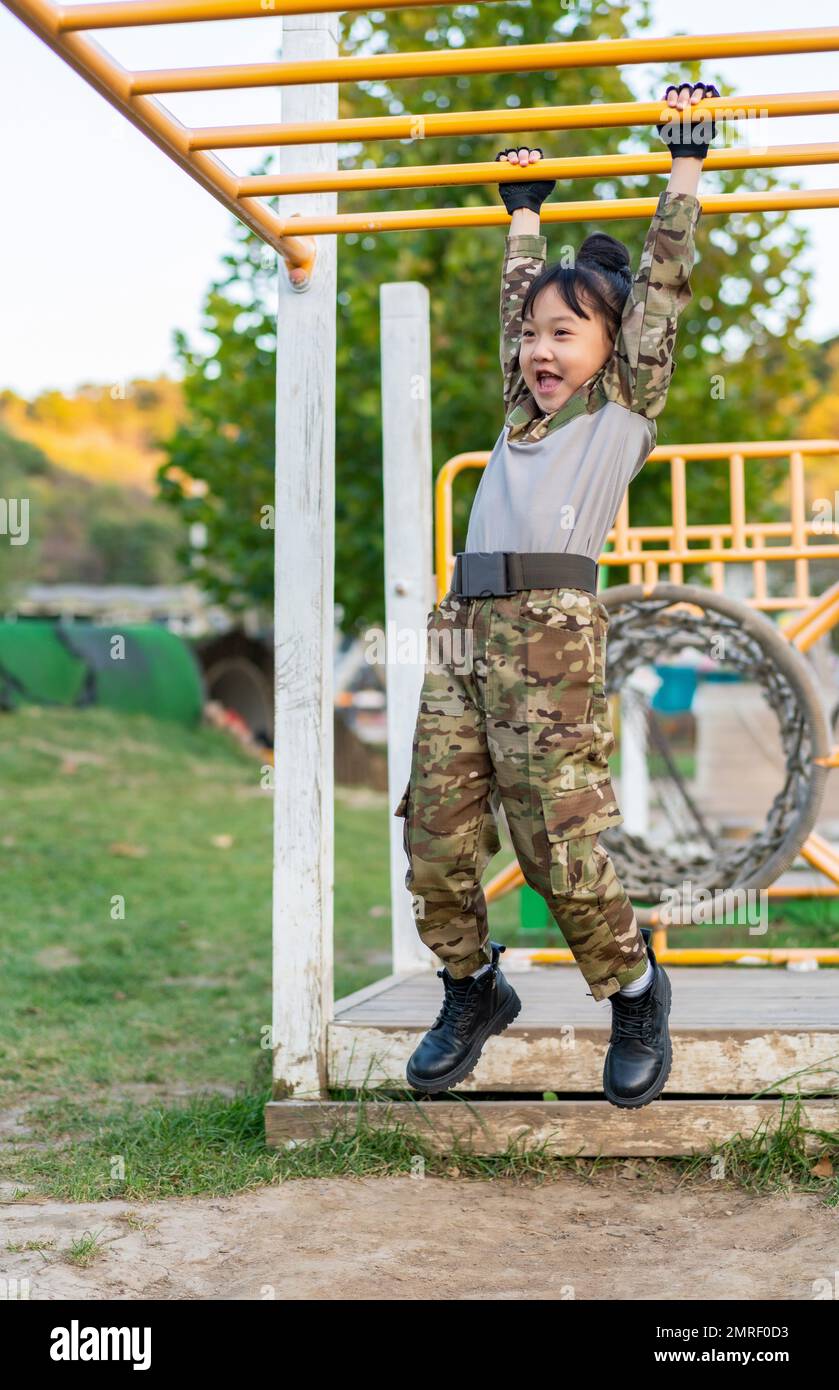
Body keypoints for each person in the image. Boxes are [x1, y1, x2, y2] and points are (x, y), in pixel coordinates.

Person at [395, 79, 718, 1106]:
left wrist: (682, 162)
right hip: (462, 628)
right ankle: (469, 986)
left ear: (607, 353)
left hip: (548, 639)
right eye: (533, 335)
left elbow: (659, 286)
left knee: (553, 840)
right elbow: (517, 298)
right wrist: (524, 219)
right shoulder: (517, 404)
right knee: (435, 833)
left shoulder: (620, 410)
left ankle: (630, 989)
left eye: (563, 336)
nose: (539, 348)